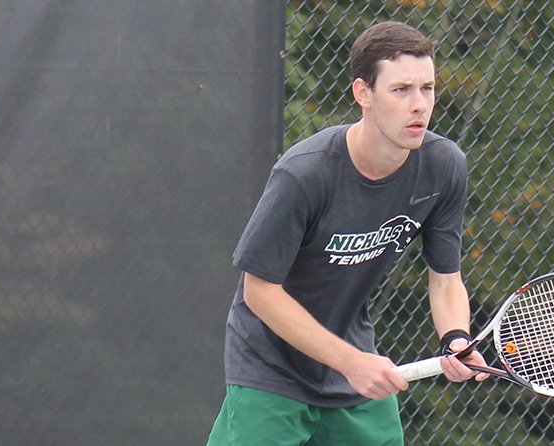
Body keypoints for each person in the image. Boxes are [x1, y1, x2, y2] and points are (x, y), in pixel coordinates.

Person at [206, 21, 488, 446]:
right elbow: (259, 292)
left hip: (355, 377)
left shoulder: (444, 166)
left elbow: (446, 280)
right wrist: (351, 362)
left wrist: (456, 338)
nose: (419, 105)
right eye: (401, 90)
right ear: (363, 94)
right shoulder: (305, 173)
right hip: (269, 372)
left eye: (427, 88)